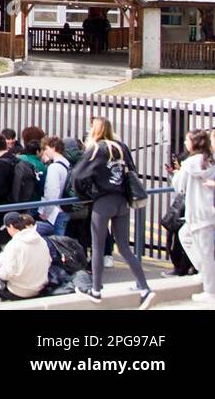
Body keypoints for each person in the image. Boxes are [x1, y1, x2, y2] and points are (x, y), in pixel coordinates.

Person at [71, 116, 153, 307]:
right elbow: (131, 170)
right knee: (124, 247)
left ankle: (96, 290)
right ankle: (144, 287)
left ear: (95, 130)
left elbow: (77, 174)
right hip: (122, 201)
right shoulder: (121, 147)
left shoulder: (96, 149)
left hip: (103, 201)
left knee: (97, 247)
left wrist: (84, 195)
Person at [172, 129, 215, 303]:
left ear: (194, 143)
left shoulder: (189, 163)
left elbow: (179, 186)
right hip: (208, 210)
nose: (184, 143)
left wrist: (176, 174)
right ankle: (204, 273)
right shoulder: (209, 161)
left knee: (206, 254)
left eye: (187, 140)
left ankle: (210, 290)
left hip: (198, 212)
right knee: (185, 235)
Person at [0, 212, 52, 300]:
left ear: (10, 226)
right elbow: (48, 262)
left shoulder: (14, 245)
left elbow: (6, 274)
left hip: (20, 291)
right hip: (39, 287)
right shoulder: (41, 240)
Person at [39, 136, 72, 236]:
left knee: (55, 243)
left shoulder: (54, 167)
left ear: (53, 147)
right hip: (65, 207)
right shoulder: (67, 164)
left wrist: (46, 212)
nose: (45, 152)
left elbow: (52, 191)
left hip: (55, 211)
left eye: (46, 148)